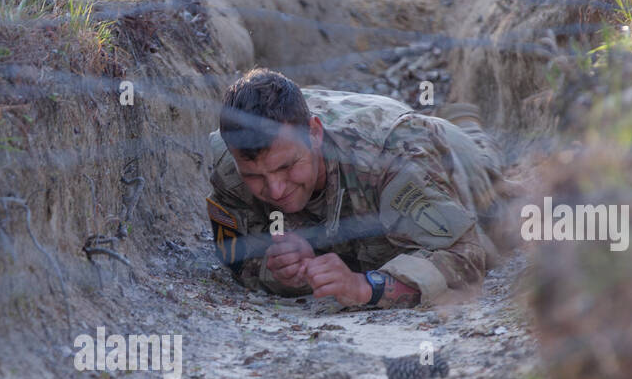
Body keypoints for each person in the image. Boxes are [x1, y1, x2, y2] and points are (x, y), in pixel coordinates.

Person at [205, 68, 521, 308]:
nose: (274, 190)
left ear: (315, 133)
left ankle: (468, 124)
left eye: (287, 167)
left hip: (447, 150)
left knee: (498, 202)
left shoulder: (392, 155)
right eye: (255, 177)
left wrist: (366, 287)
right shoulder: (228, 159)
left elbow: (464, 258)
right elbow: (239, 258)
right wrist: (282, 271)